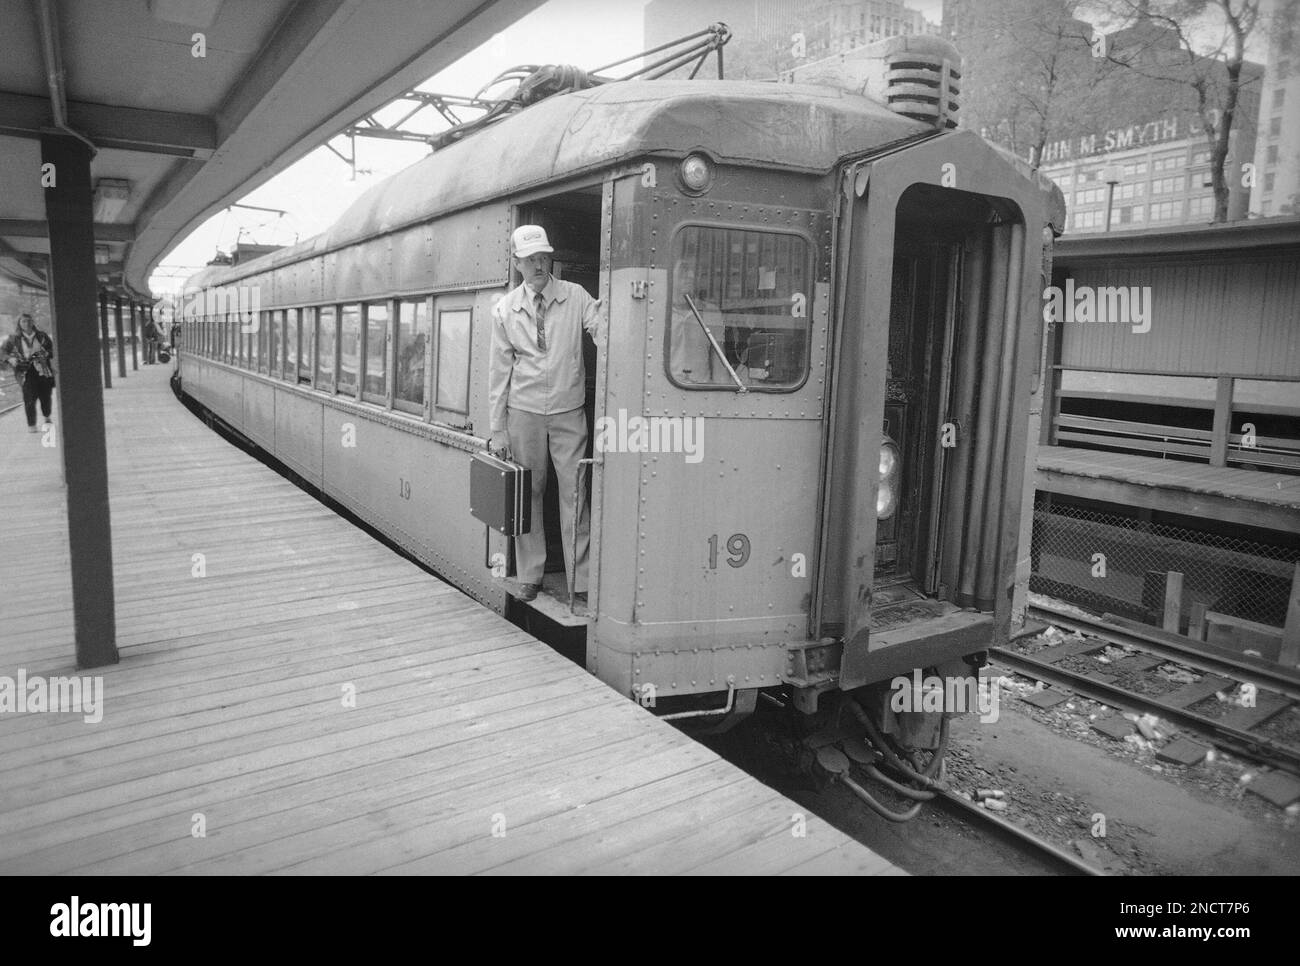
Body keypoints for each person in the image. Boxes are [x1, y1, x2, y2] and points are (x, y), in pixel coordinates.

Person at [487, 225, 602, 603]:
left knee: (575, 493)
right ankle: (531, 574)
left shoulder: (576, 296)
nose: (539, 264)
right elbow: (498, 373)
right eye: (530, 258)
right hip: (524, 412)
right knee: (530, 493)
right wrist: (498, 430)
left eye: (543, 256)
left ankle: (580, 581)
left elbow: (602, 329)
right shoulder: (505, 309)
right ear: (517, 262)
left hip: (569, 411)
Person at [2, 313, 55, 433]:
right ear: (19, 324)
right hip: (25, 372)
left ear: (33, 322)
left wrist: (46, 354)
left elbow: (52, 349)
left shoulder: (42, 336)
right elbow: (3, 352)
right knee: (29, 398)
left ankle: (47, 416)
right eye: (24, 321)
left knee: (45, 396)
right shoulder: (13, 338)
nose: (27, 324)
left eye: (29, 321)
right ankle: (32, 424)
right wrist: (10, 359)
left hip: (43, 370)